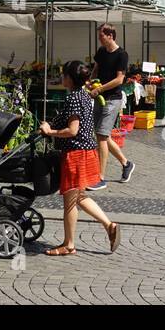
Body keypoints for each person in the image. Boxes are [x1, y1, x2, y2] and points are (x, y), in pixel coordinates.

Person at [39, 60, 120, 256]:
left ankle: (69, 244)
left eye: (63, 75)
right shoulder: (84, 95)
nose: (61, 78)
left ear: (69, 78)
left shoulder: (74, 98)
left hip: (75, 153)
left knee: (70, 201)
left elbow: (72, 130)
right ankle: (110, 226)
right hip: (86, 151)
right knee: (79, 197)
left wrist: (51, 132)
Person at [89, 23, 133, 189]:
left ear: (110, 35)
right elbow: (96, 69)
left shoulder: (122, 55)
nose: (99, 39)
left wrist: (100, 88)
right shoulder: (101, 52)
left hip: (113, 99)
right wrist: (90, 83)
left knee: (101, 135)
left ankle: (100, 177)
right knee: (103, 135)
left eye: (101, 36)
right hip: (99, 97)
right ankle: (126, 163)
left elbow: (119, 79)